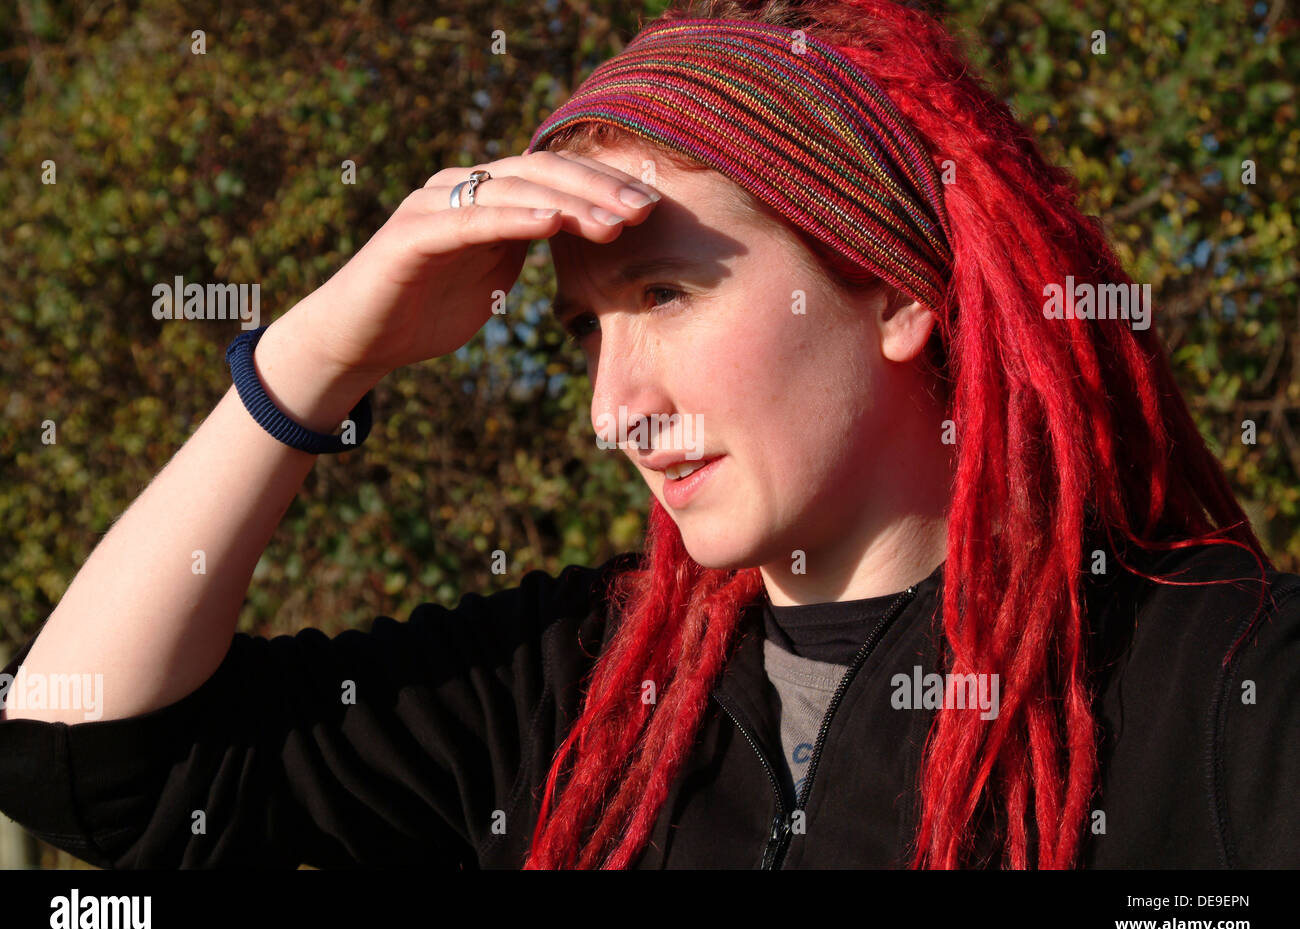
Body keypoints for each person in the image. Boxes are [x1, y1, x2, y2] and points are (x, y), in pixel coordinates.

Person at [1, 0, 1297, 870]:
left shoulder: (1220, 683)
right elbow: (84, 757)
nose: (614, 408)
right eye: (583, 332)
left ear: (896, 286)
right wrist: (320, 354)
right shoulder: (581, 689)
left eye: (666, 295)